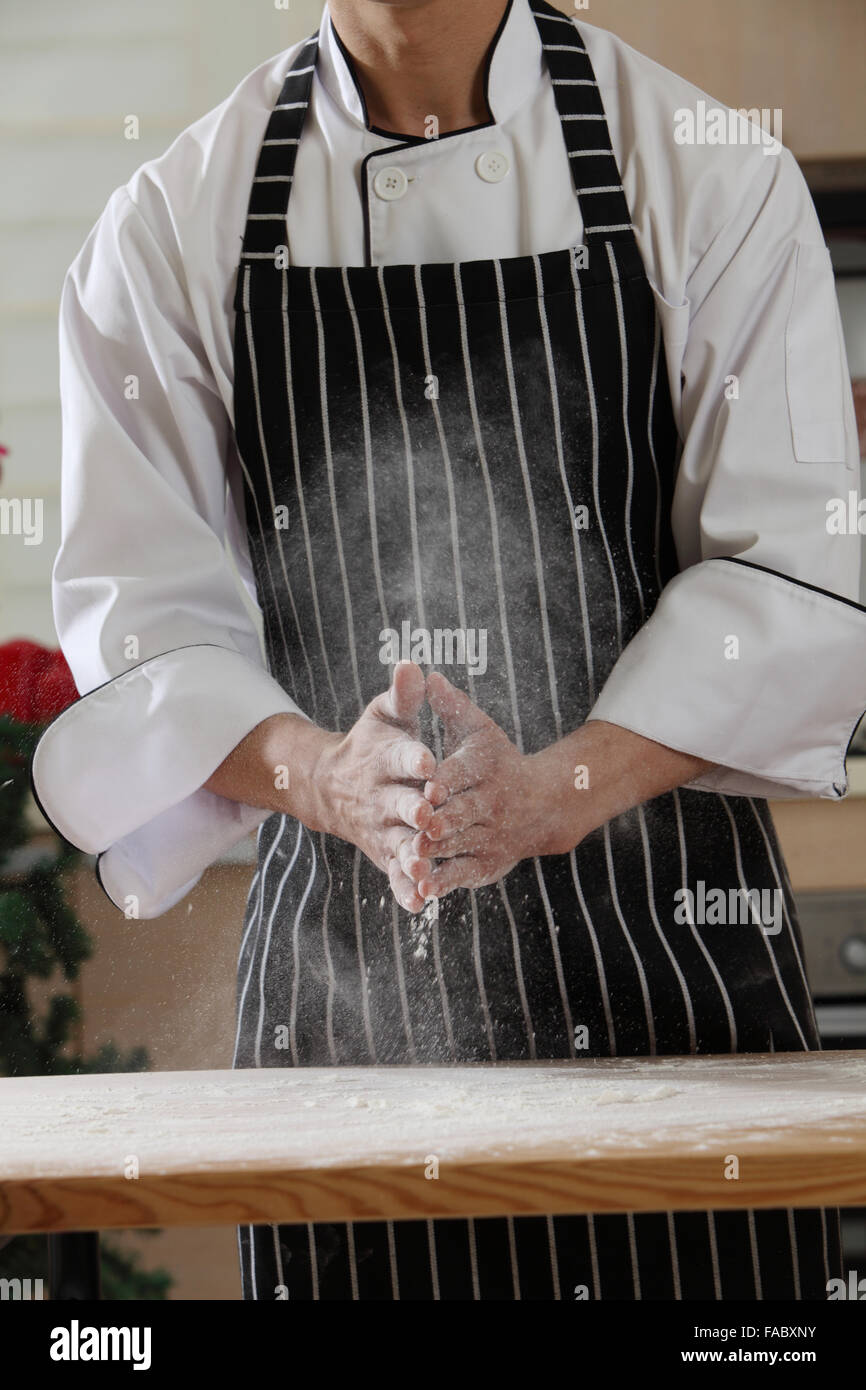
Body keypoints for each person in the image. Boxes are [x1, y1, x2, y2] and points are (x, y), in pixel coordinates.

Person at [31, 0, 866, 1300]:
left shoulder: (705, 170)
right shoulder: (167, 225)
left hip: (675, 990)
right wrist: (327, 779)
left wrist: (559, 786)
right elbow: (146, 636)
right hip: (340, 1024)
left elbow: (791, 575)